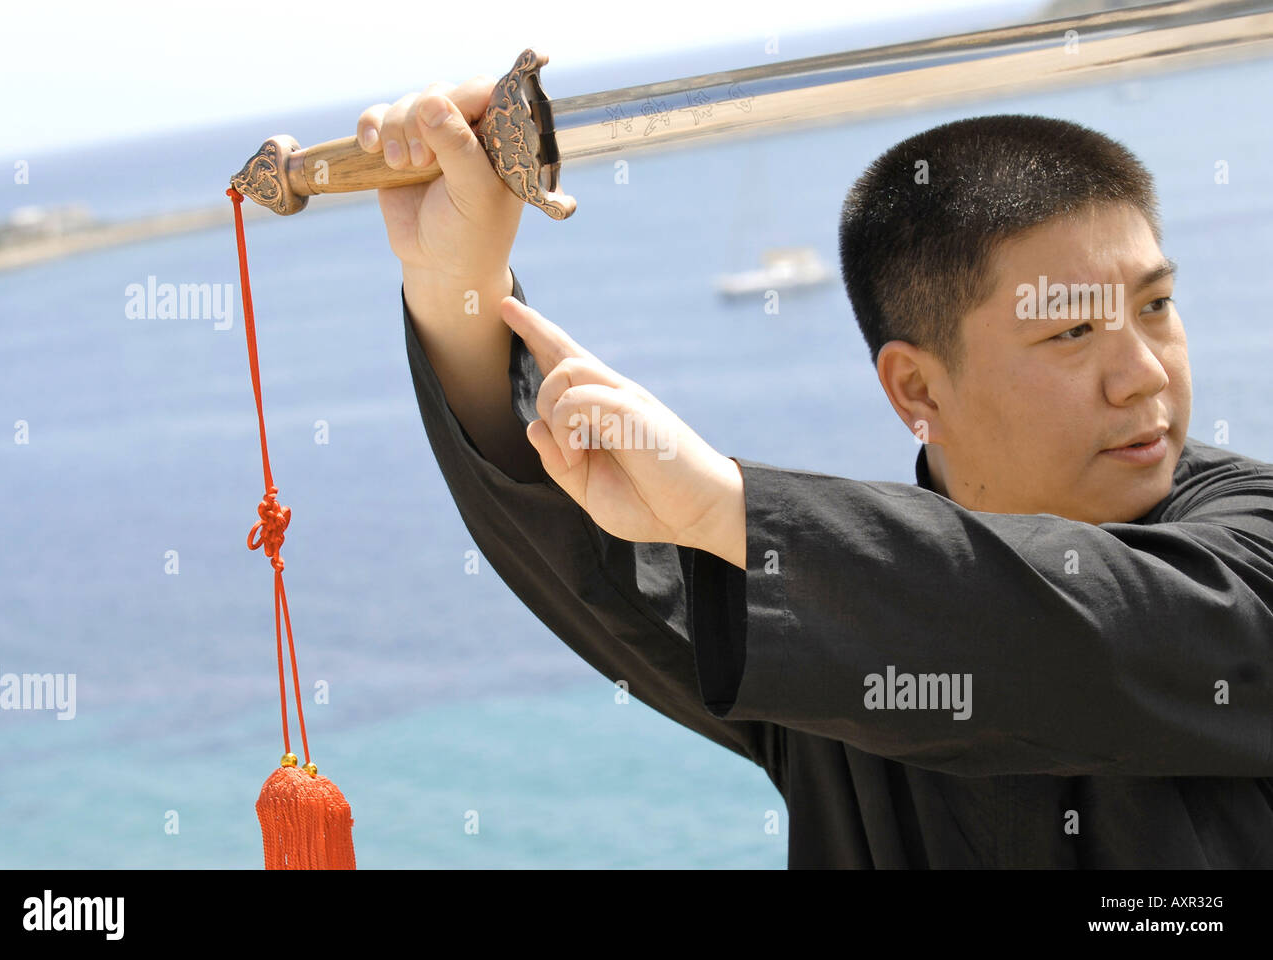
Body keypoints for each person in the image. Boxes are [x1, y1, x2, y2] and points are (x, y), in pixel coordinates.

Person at [353, 77, 1273, 868]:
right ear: (917, 385)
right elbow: (599, 564)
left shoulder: (1250, 543)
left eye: (1156, 305)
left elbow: (1095, 633)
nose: (1146, 373)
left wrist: (729, 509)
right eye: (1072, 330)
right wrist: (455, 286)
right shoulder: (831, 617)